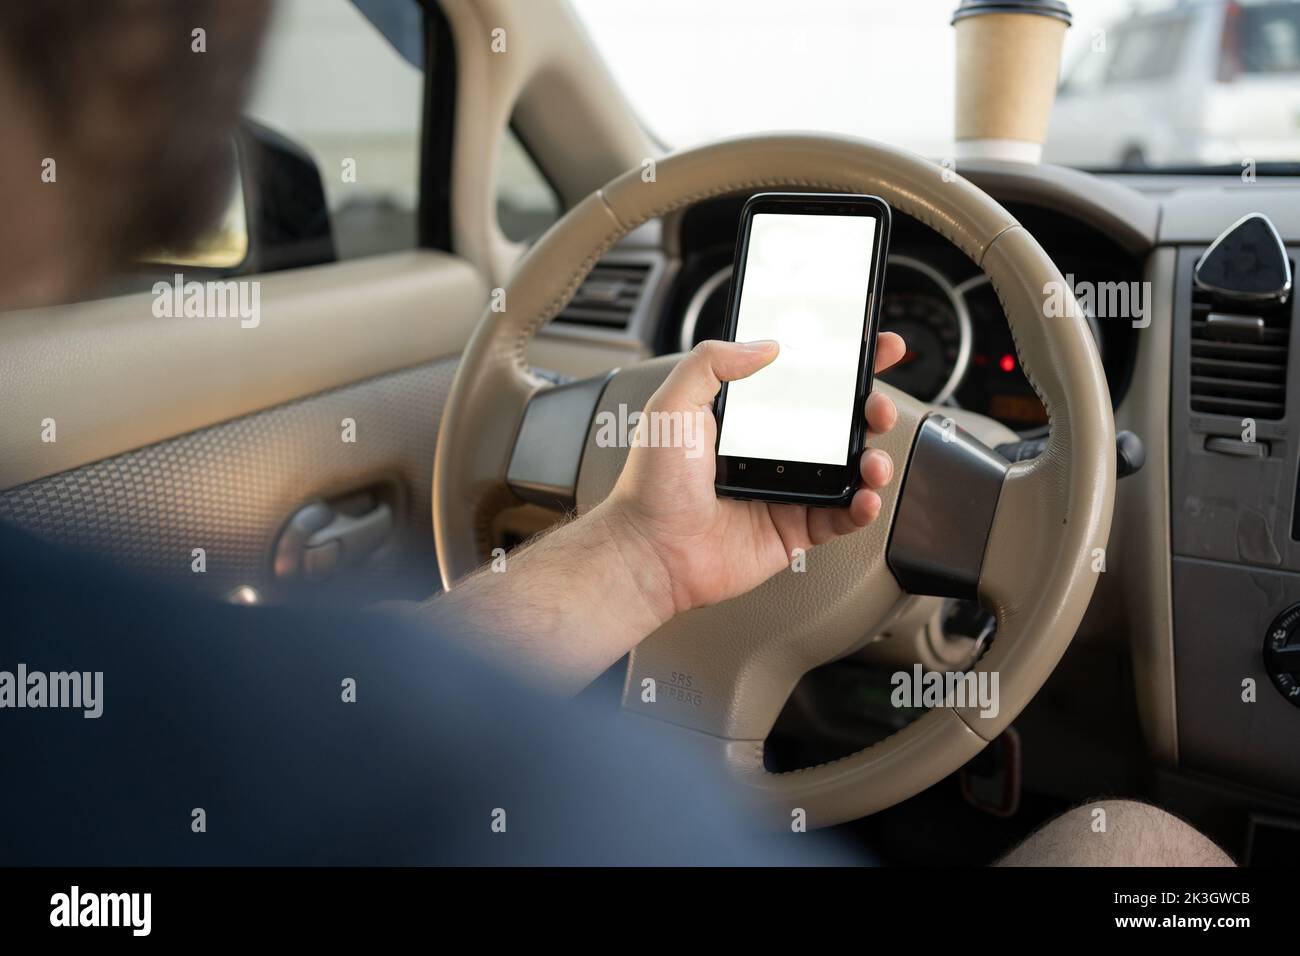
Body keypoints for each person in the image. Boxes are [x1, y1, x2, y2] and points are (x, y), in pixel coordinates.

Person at [0, 0, 1232, 867]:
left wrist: (643, 553)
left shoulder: (159, 724)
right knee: (1145, 842)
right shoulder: (562, 806)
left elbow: (319, 724)